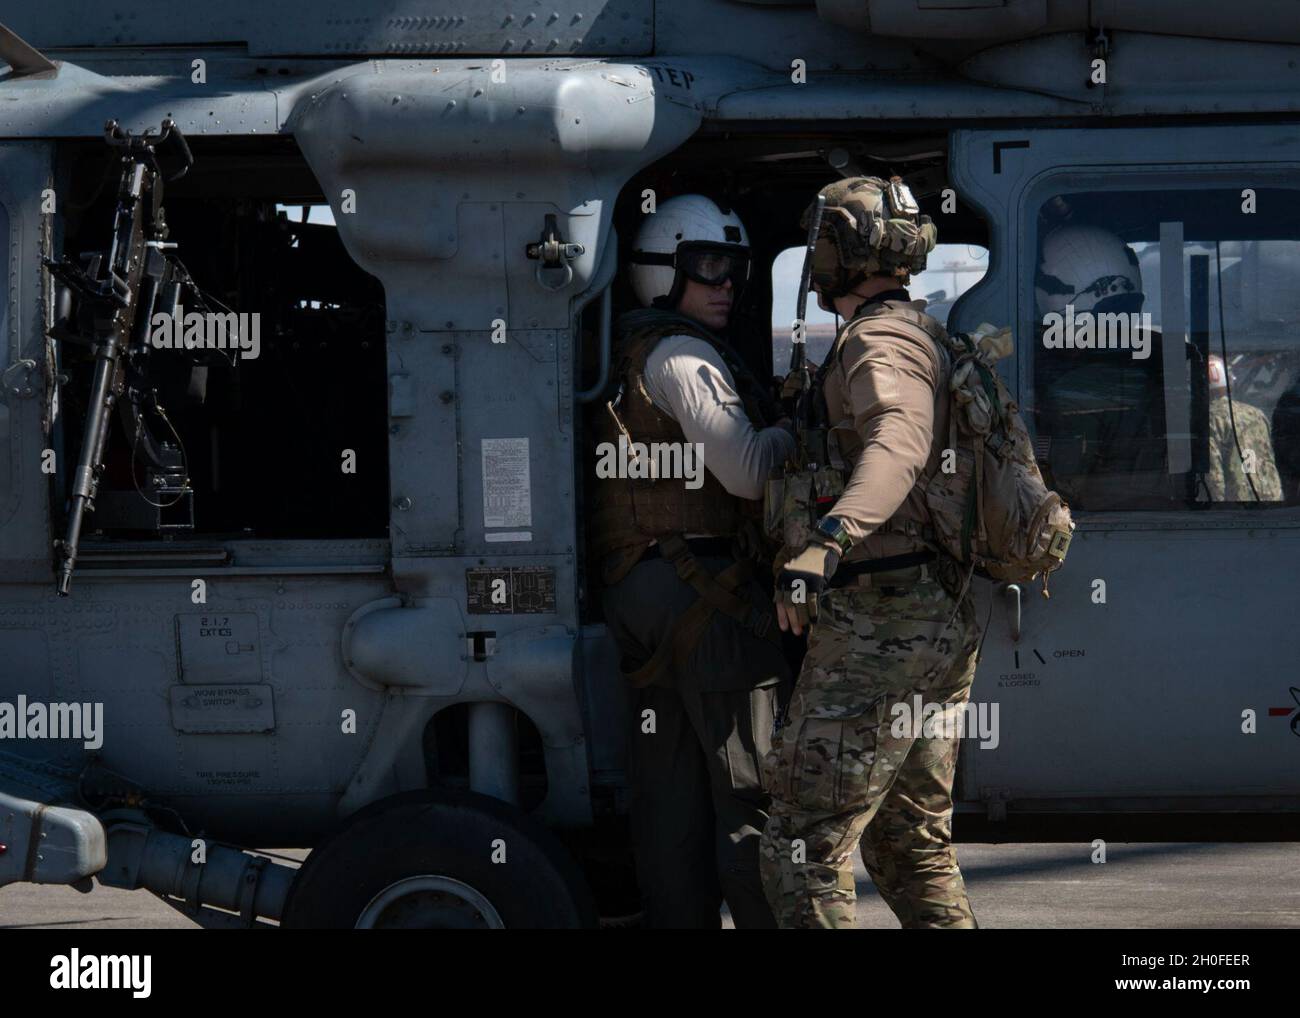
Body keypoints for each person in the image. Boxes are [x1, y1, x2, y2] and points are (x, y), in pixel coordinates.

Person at [759, 176, 981, 929]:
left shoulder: (879, 341)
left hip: (880, 621)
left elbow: (898, 444)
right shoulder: (923, 334)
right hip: (932, 615)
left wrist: (827, 542)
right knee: (907, 844)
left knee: (800, 844)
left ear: (842, 253)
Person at [591, 194, 796, 928]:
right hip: (705, 598)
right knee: (749, 792)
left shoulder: (623, 348)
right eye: (707, 266)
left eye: (734, 269)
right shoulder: (683, 356)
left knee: (669, 798)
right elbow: (743, 471)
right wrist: (793, 432)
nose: (726, 284)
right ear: (660, 271)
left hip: (640, 593)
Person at [1205, 354, 1283, 501]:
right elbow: (1268, 460)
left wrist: (1216, 512)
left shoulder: (1207, 421)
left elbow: (1214, 479)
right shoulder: (1256, 414)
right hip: (1270, 503)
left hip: (1236, 509)